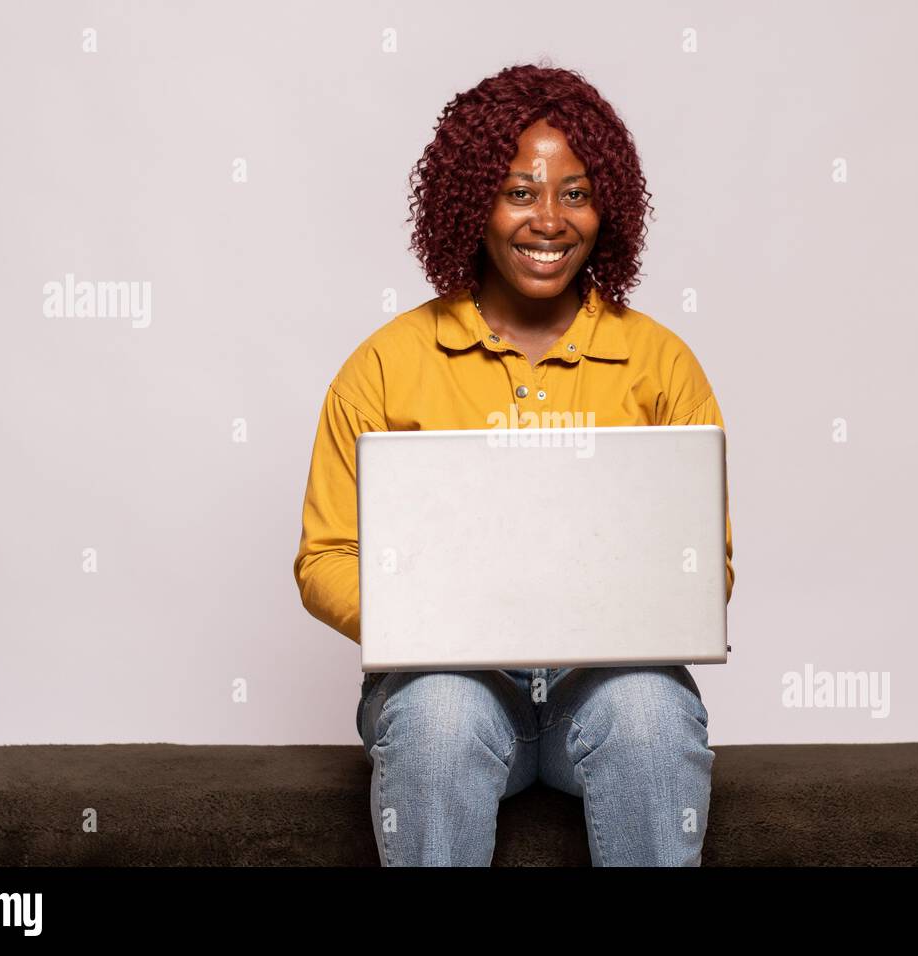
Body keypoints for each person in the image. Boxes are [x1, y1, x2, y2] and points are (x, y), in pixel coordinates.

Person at [293, 62, 734, 866]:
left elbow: (709, 568)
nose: (549, 220)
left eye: (575, 193)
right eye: (519, 191)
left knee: (650, 717)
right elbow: (325, 561)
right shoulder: (387, 364)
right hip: (448, 680)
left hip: (602, 688)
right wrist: (438, 617)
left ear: (610, 209)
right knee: (438, 722)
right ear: (471, 202)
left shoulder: (660, 363)